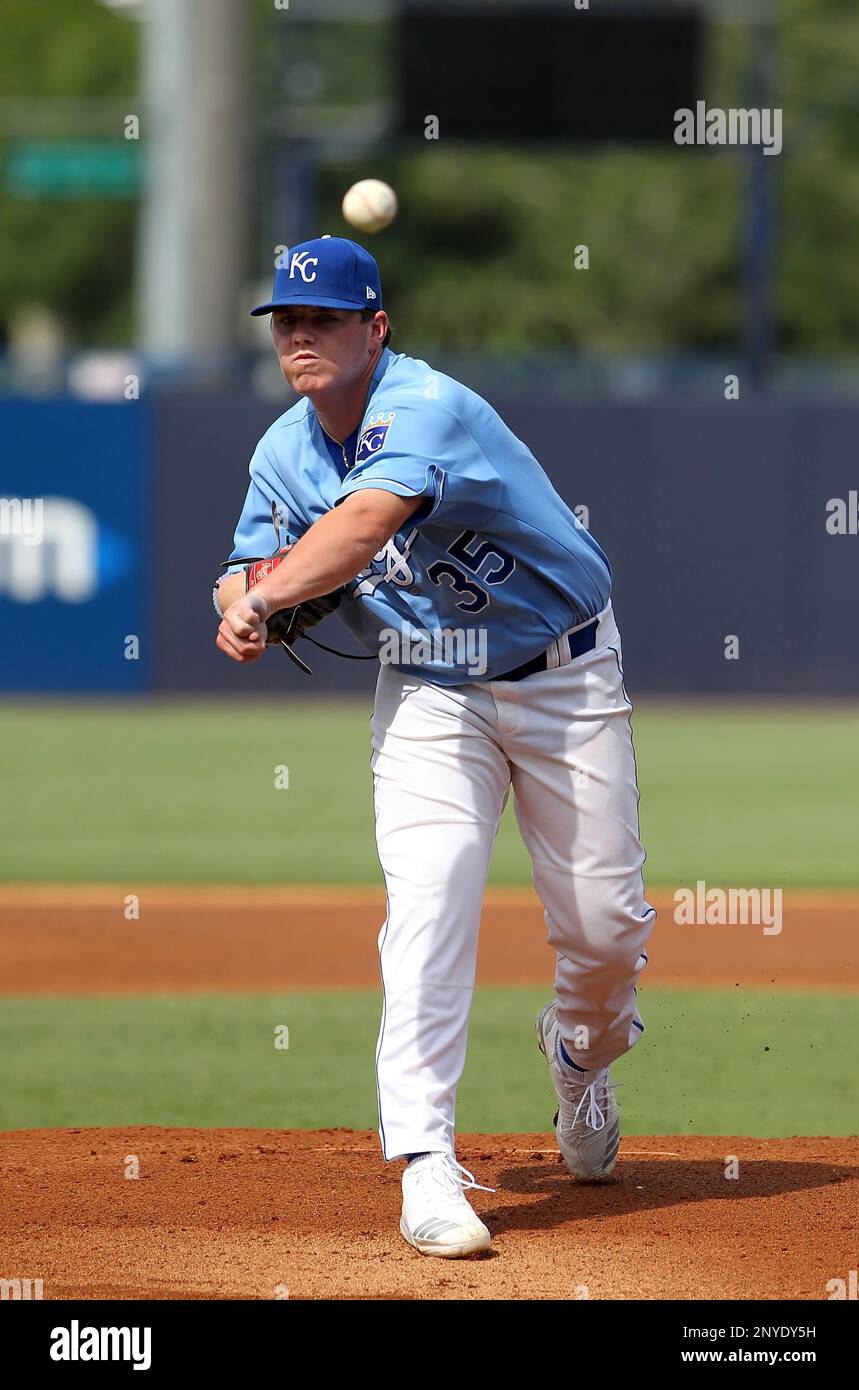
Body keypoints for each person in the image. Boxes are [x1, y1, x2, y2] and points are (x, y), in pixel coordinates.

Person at [215, 236, 655, 1259]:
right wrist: (239, 605)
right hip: (426, 692)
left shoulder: (425, 406)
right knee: (430, 896)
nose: (300, 335)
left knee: (603, 929)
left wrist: (270, 591)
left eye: (322, 319)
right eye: (286, 320)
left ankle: (579, 1057)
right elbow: (244, 563)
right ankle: (422, 1159)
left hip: (562, 675)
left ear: (375, 329)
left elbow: (362, 527)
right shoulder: (282, 448)